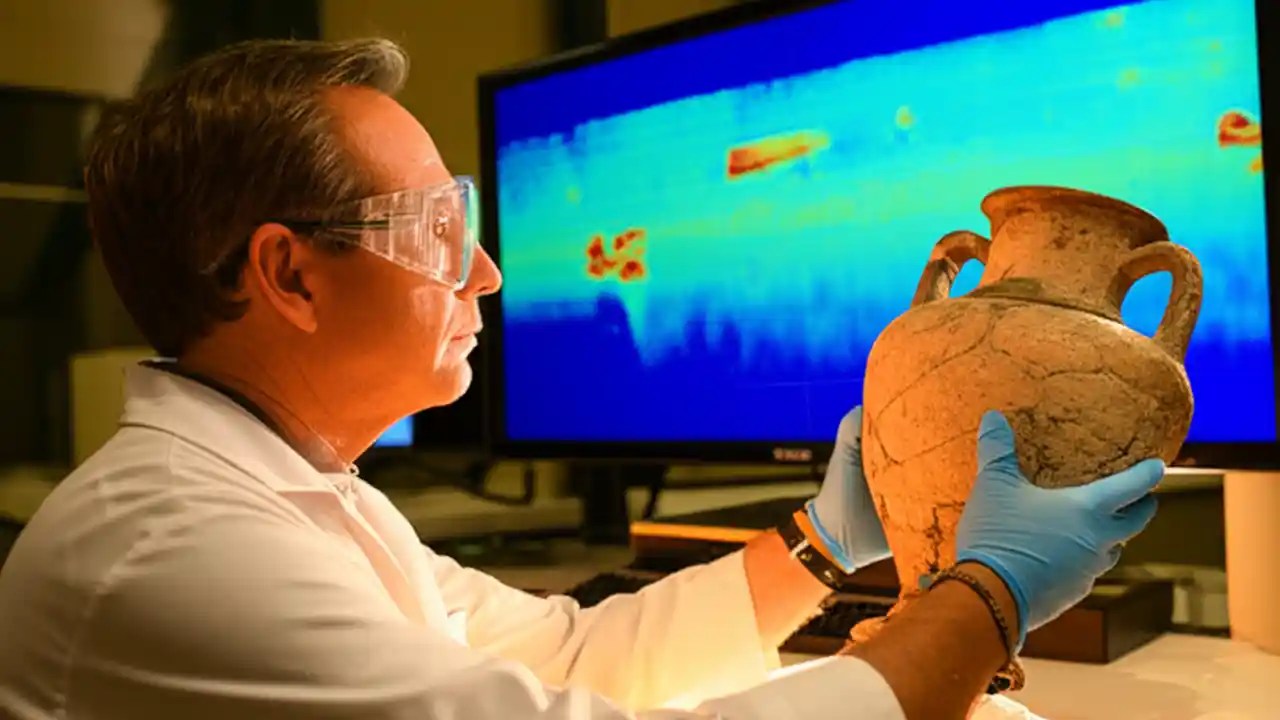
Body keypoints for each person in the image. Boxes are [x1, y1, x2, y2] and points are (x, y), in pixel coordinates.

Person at [0, 38, 1162, 720]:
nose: (491, 274)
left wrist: (816, 539)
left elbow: (561, 659)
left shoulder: (304, 497)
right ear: (288, 276)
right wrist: (986, 599)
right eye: (440, 228)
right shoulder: (177, 553)